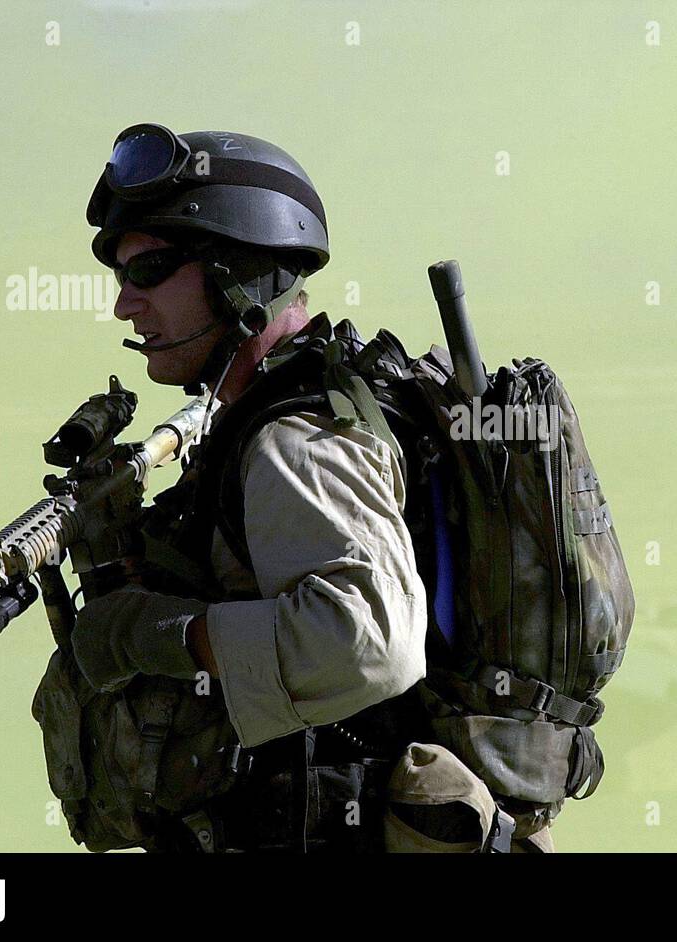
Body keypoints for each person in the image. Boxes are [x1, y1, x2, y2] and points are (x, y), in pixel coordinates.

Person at [36, 123, 432, 852]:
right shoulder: (287, 407)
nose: (125, 305)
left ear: (235, 270)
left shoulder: (294, 437)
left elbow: (368, 644)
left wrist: (159, 635)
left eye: (149, 271)